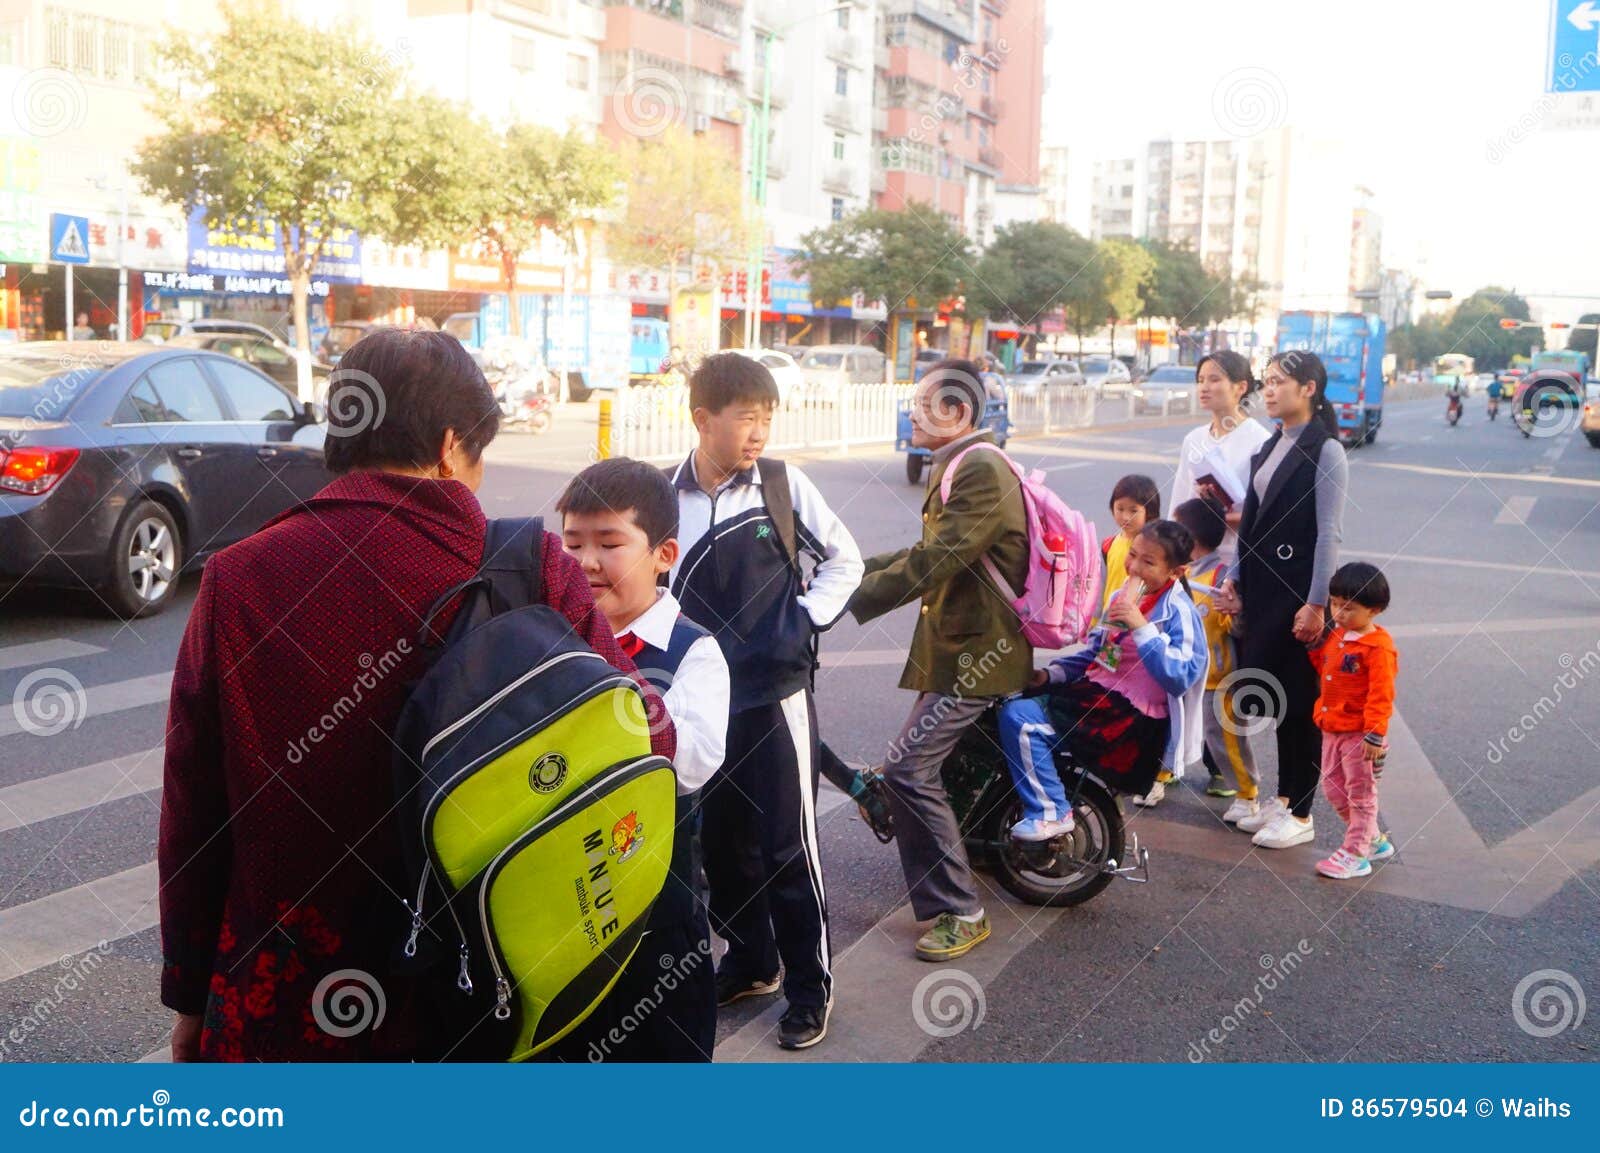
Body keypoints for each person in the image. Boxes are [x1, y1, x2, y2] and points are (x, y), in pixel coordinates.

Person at [157, 329, 675, 1062]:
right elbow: (647, 741)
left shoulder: (237, 578)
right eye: (478, 454)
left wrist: (189, 991)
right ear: (447, 445)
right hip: (470, 991)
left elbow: (194, 810)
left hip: (283, 996)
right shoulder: (527, 567)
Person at [668, 352, 863, 1050]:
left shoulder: (781, 485)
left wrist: (804, 619)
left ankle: (810, 988)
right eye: (745, 417)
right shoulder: (666, 495)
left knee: (788, 846)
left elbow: (846, 559)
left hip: (776, 694)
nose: (758, 432)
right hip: (703, 700)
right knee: (720, 845)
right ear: (702, 418)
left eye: (767, 417)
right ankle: (752, 962)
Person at [850, 359, 1032, 962]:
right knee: (925, 766)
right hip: (964, 646)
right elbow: (924, 550)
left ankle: (961, 909)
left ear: (959, 413)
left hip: (980, 653)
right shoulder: (962, 461)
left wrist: (849, 595)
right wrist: (851, 572)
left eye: (926, 403)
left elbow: (939, 559)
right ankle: (966, 856)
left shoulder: (979, 467)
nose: (912, 411)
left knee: (906, 769)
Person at [552, 457, 729, 1061]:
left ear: (664, 554)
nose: (585, 563)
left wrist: (606, 663)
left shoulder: (692, 652)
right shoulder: (552, 636)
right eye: (572, 543)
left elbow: (693, 761)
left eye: (609, 543)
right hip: (561, 905)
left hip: (656, 908)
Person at [1219, 349, 1348, 850]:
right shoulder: (1272, 444)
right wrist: (1234, 579)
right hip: (1263, 592)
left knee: (1300, 705)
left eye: (1279, 382)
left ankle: (1301, 810)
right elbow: (1249, 526)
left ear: (1309, 389)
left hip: (1298, 595)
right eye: (1266, 382)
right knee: (1276, 699)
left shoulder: (1326, 450)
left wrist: (1317, 603)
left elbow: (1328, 533)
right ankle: (1283, 796)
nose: (1268, 390)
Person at [998, 520, 1208, 827]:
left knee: (1021, 720)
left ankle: (1051, 813)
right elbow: (1098, 656)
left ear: (1175, 572)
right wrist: (1050, 675)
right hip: (1097, 693)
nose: (1133, 567)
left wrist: (1142, 629)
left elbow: (1180, 676)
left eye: (1148, 562)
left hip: (1128, 719)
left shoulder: (1180, 613)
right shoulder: (1121, 598)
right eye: (1133, 554)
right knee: (1012, 698)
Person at [1308, 562, 1398, 880]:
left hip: (1360, 735)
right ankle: (1372, 838)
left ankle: (1356, 853)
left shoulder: (1378, 649)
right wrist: (1313, 647)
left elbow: (1381, 695)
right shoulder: (1338, 635)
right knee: (1333, 790)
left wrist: (1375, 735)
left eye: (1350, 608)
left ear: (1375, 610)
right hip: (1332, 728)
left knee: (1360, 794)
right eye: (1335, 604)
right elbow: (1325, 666)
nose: (1340, 613)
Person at [1172, 496, 1259, 816]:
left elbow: (1237, 627)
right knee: (1183, 730)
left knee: (1225, 738)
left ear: (1189, 540)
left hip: (1219, 679)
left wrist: (1234, 612)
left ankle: (1248, 796)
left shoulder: (1221, 577)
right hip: (1188, 674)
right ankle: (1162, 773)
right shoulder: (1183, 574)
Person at [1169, 350, 1271, 566]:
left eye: (1214, 379)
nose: (1204, 387)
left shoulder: (1260, 441)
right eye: (1200, 380)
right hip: (1193, 558)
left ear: (1240, 387)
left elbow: (1265, 513)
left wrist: (1213, 519)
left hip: (1237, 559)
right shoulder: (1194, 439)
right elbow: (1179, 500)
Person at [1103, 474, 1160, 610]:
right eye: (1120, 509)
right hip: (1109, 618)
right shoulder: (1108, 545)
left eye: (1134, 511)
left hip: (1138, 619)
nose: (1126, 517)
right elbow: (1100, 587)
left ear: (1150, 511)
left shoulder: (1157, 549)